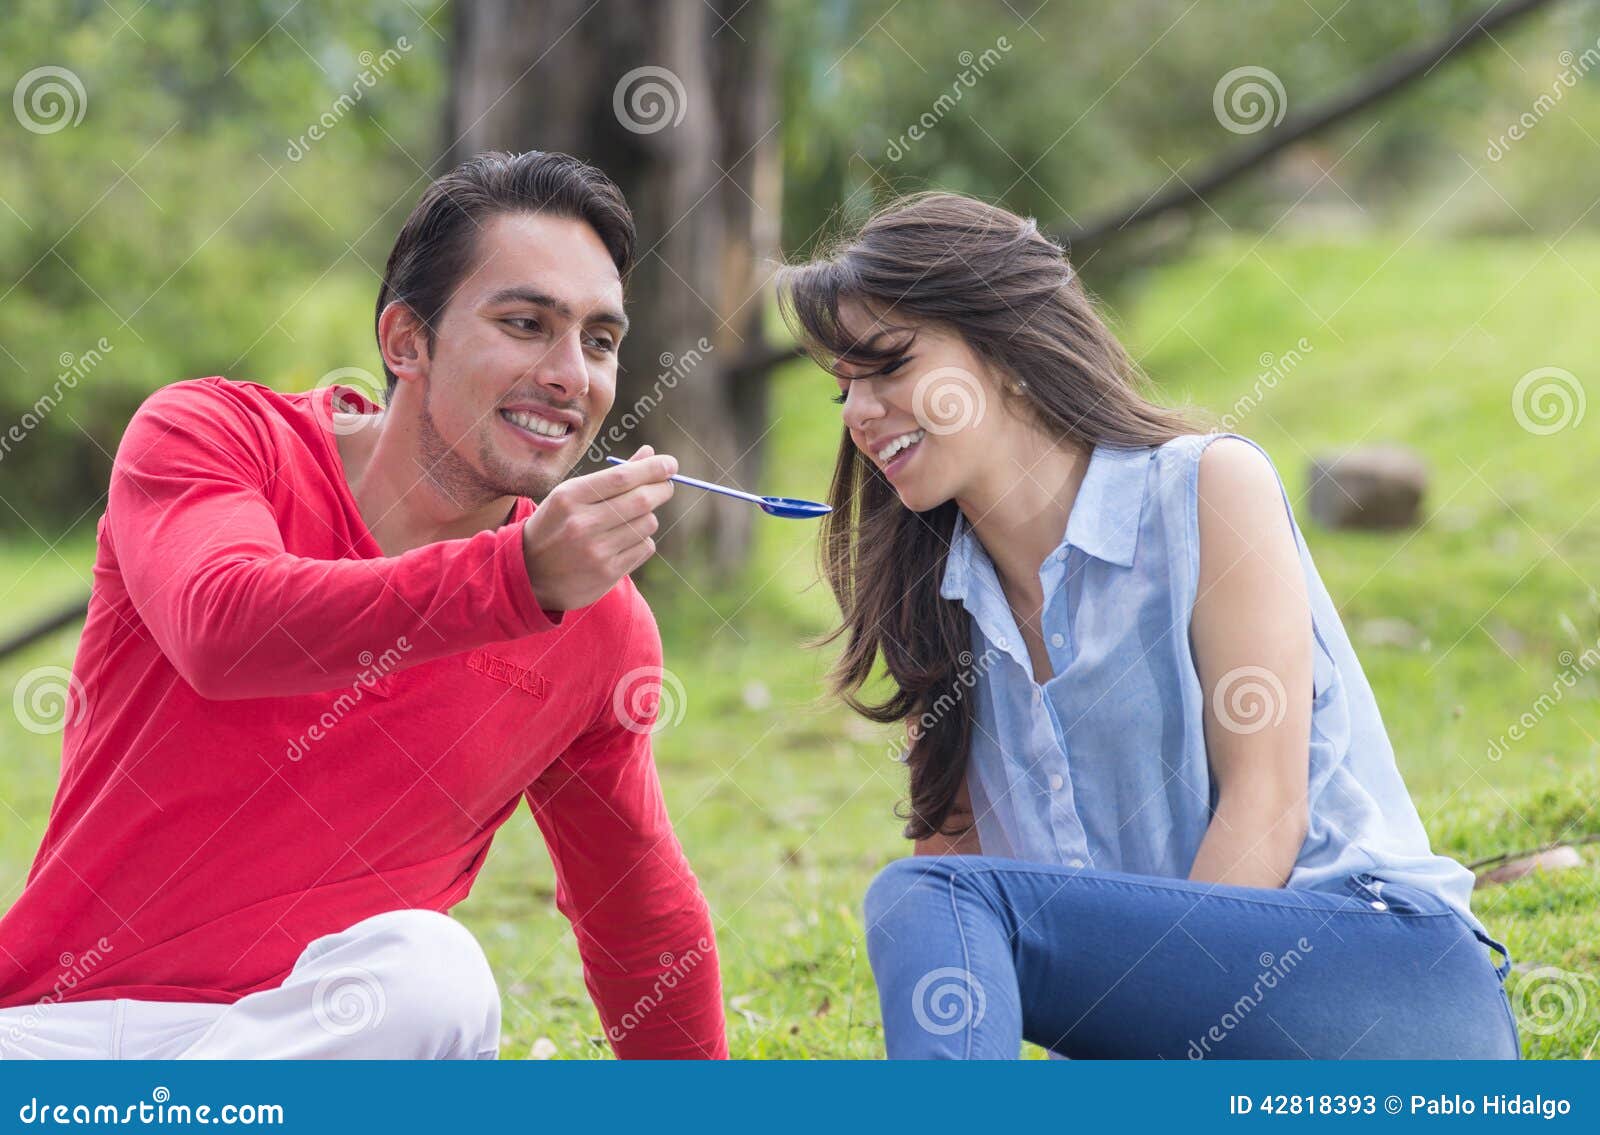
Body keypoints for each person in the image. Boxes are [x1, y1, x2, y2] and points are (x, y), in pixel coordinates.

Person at [0, 151, 726, 1060]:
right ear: (405, 341)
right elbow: (222, 627)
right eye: (527, 323)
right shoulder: (216, 437)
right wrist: (513, 581)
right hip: (61, 1040)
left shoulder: (599, 623)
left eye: (600, 340)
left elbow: (638, 911)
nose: (571, 374)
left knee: (433, 977)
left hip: (319, 1048)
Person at [777, 191, 1519, 1060]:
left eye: (890, 367)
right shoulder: (933, 618)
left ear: (1008, 350)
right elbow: (998, 942)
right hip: (1220, 1065)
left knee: (924, 897)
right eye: (844, 391)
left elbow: (1266, 807)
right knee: (945, 896)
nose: (861, 413)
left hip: (1384, 987)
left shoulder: (1205, 489)